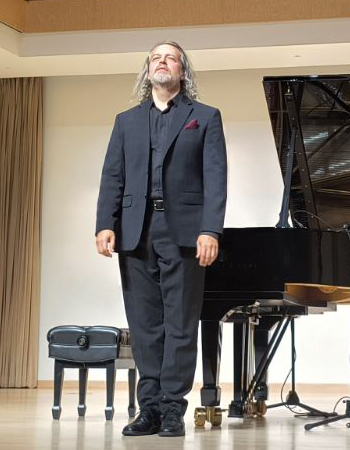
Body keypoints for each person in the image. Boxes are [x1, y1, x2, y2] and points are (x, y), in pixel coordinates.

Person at [95, 40, 227, 437]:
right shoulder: (126, 121)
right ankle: (148, 409)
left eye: (170, 58)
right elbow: (112, 175)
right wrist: (105, 224)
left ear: (182, 71)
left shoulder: (204, 117)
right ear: (148, 70)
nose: (162, 62)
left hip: (183, 232)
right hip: (135, 231)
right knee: (144, 326)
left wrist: (210, 229)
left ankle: (172, 409)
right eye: (156, 58)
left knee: (181, 324)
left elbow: (215, 178)